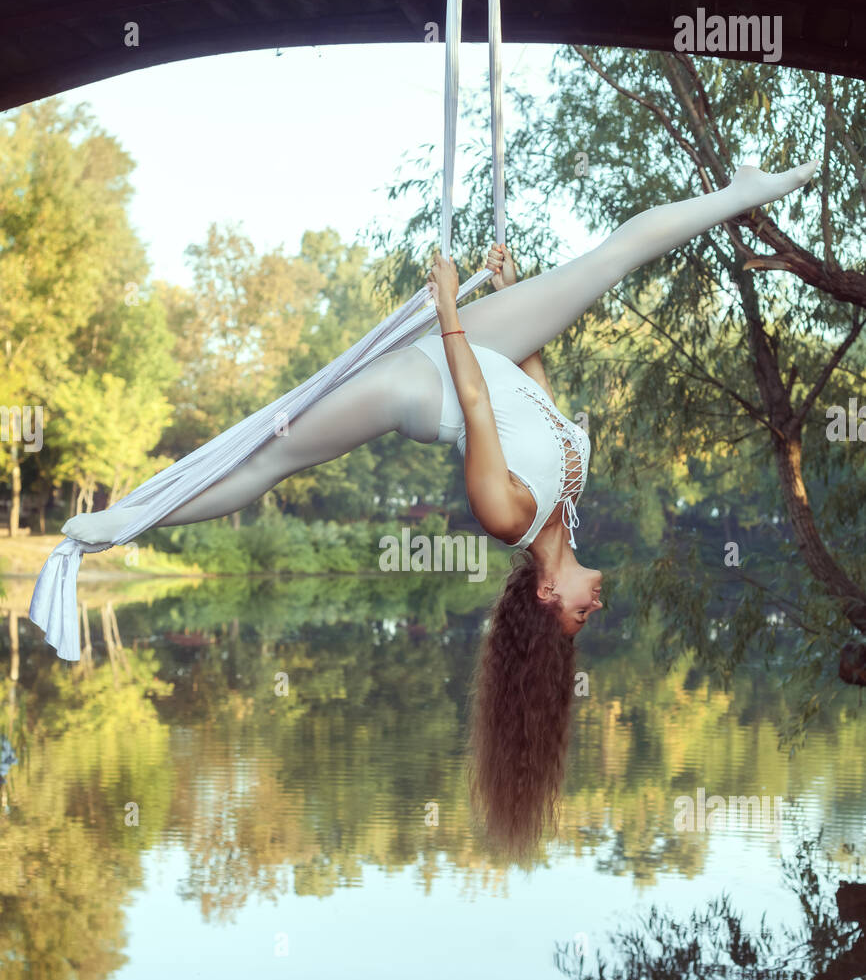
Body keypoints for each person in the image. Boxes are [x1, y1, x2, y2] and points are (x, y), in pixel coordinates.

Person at [61, 159, 817, 842]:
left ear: (547, 590)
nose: (596, 609)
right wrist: (517, 294)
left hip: (429, 381)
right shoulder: (571, 503)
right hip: (484, 348)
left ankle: (124, 523)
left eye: (577, 615)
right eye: (588, 617)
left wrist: (449, 305)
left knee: (276, 457)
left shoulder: (511, 518)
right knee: (607, 261)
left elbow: (481, 408)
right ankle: (738, 194)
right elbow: (536, 399)